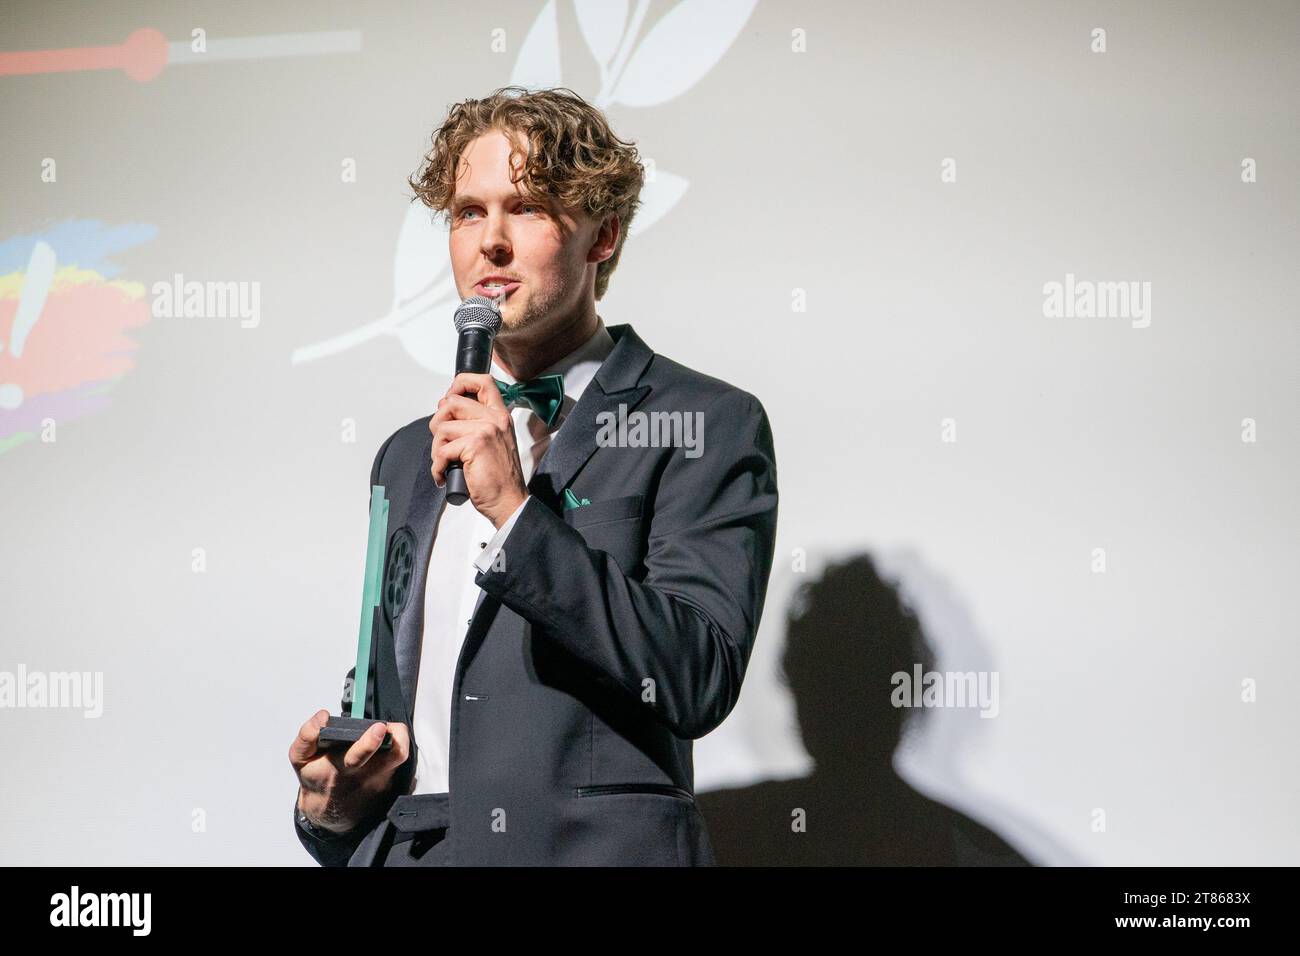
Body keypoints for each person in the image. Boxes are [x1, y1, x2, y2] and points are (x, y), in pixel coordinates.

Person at [288, 86, 778, 865]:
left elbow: (696, 675)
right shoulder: (404, 455)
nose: (491, 243)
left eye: (525, 208)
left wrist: (515, 513)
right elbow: (389, 700)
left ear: (603, 235)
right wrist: (333, 806)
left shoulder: (706, 422)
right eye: (467, 212)